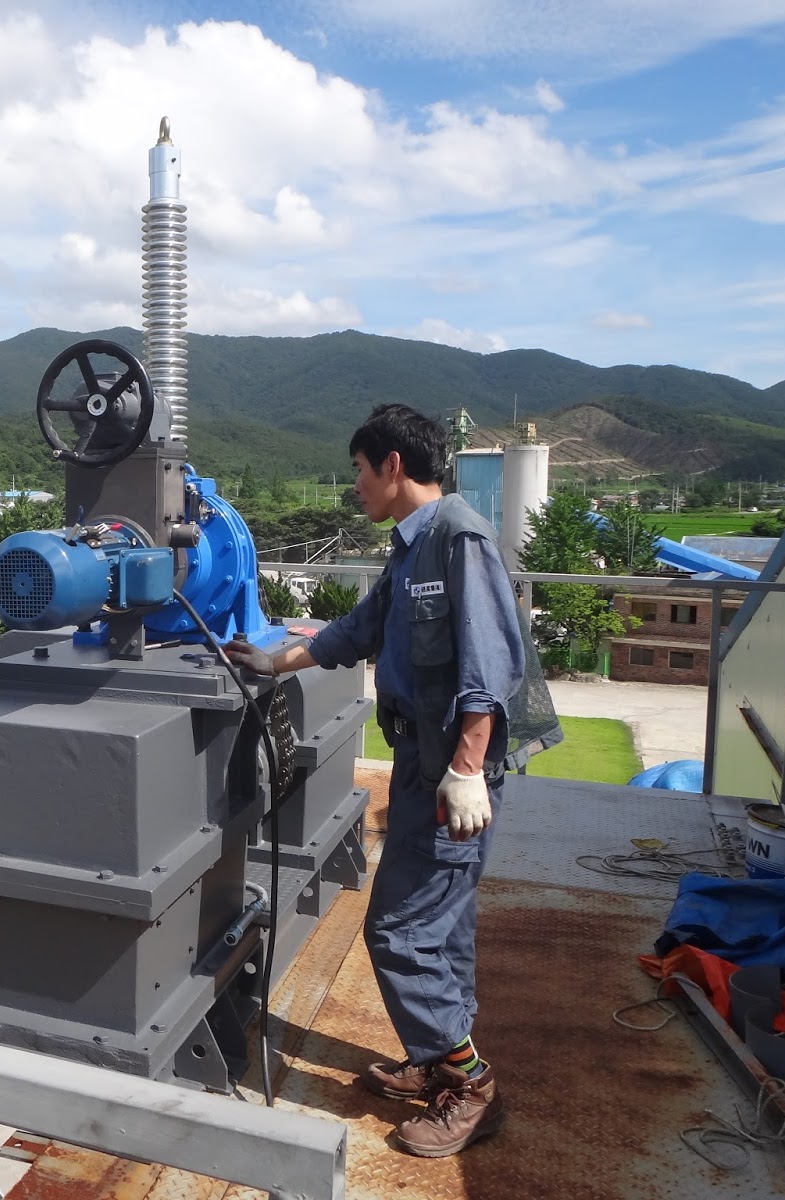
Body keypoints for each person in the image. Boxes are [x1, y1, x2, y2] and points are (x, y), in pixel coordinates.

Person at [225, 403, 559, 1158]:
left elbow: (491, 670)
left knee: (399, 930)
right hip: (419, 769)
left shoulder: (460, 541)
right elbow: (360, 628)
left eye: (358, 472)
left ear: (393, 466)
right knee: (442, 926)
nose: (356, 488)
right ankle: (436, 1056)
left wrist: (468, 771)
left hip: (452, 776)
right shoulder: (412, 549)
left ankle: (470, 1083)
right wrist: (276, 660)